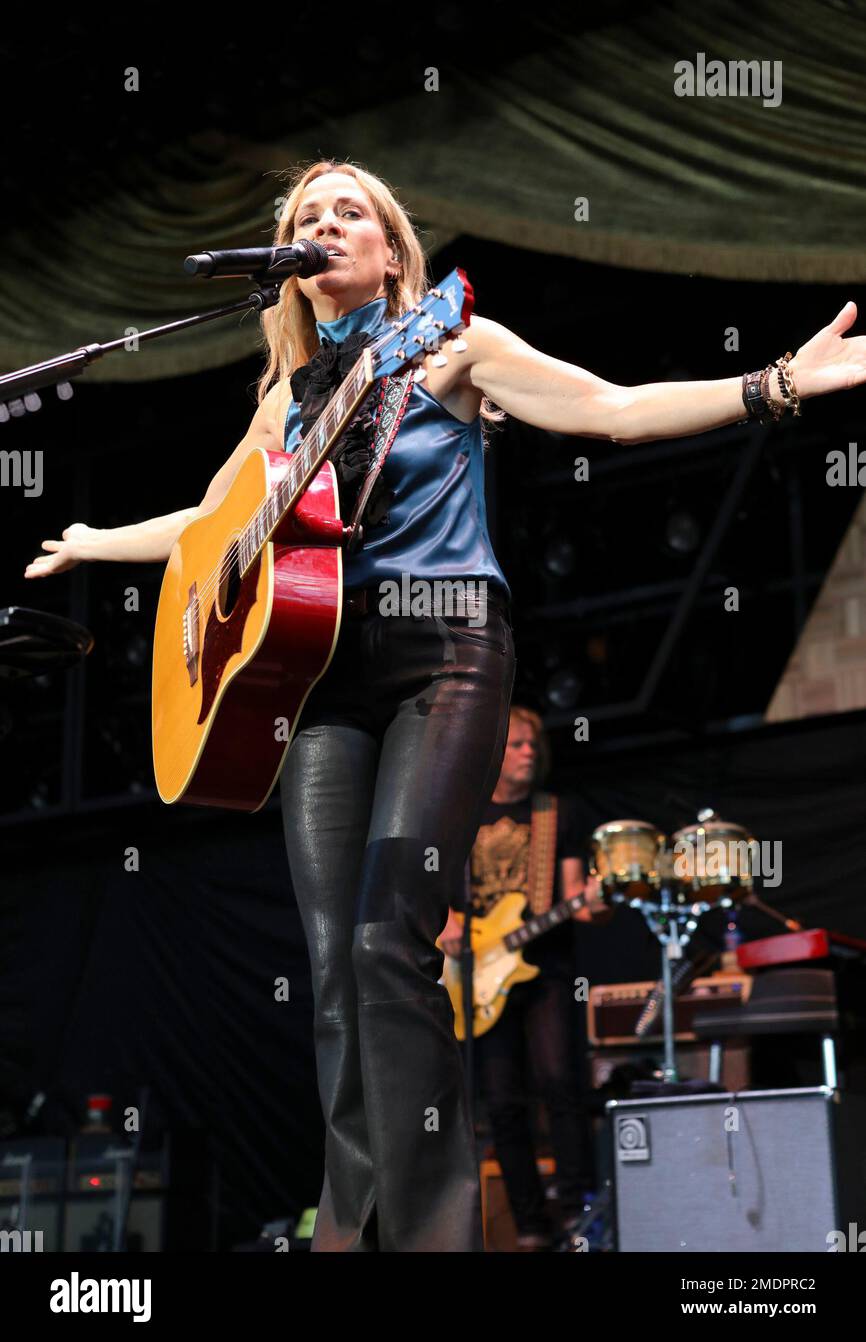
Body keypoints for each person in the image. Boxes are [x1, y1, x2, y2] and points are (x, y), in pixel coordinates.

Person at [23, 158, 866, 1252]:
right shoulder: (287, 400)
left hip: (446, 654)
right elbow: (211, 522)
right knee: (332, 972)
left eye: (349, 212)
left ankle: (426, 1242)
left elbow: (610, 410)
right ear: (287, 267)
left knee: (387, 939)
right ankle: (350, 1231)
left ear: (387, 251)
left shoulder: (450, 346)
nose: (325, 224)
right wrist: (99, 542)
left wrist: (774, 384)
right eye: (304, 217)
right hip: (323, 678)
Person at [439, 704, 604, 1250]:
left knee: (561, 1083)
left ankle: (581, 1208)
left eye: (535, 745)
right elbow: (434, 886)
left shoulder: (559, 813)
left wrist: (598, 901)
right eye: (517, 744)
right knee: (502, 1101)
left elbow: (577, 899)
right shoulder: (461, 813)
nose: (529, 752)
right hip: (478, 974)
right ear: (492, 750)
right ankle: (530, 1225)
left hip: (544, 967)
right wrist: (449, 922)